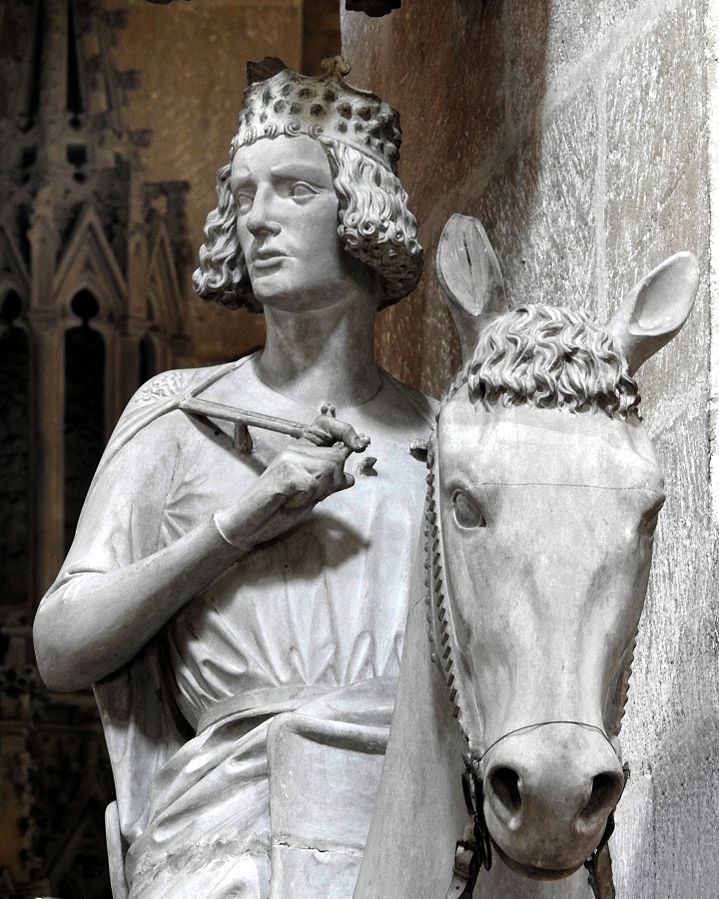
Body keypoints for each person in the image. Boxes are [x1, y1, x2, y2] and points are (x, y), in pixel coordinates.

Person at [33, 57, 435, 899]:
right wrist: (232, 529)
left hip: (418, 820)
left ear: (357, 207)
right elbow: (63, 645)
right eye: (241, 194)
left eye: (292, 190)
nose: (257, 219)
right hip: (228, 840)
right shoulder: (179, 415)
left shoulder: (441, 438)